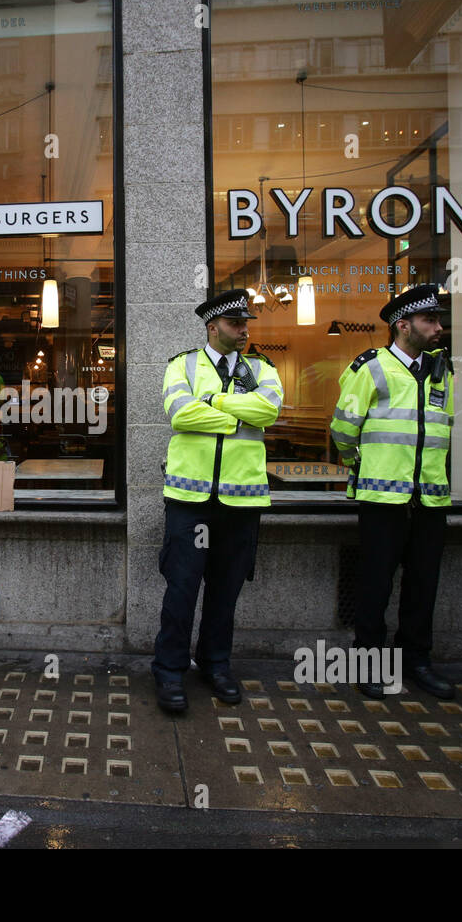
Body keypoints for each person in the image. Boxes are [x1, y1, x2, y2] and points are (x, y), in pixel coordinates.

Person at [152, 290, 282, 712]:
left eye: (246, 324)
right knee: (182, 589)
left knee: (225, 592)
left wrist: (214, 401)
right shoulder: (182, 364)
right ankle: (170, 671)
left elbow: (269, 412)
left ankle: (215, 664)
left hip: (241, 500)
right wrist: (237, 414)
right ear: (213, 326)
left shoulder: (262, 368)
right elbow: (180, 414)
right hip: (190, 499)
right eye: (234, 324)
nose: (244, 330)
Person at [329, 284, 457, 701]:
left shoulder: (443, 370)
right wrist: (363, 467)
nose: (439, 327)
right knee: (375, 585)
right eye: (430, 320)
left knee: (424, 585)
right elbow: (343, 429)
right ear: (403, 326)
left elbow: (444, 428)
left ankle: (416, 661)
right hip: (383, 498)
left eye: (438, 320)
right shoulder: (371, 367)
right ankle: (369, 663)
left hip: (430, 498)